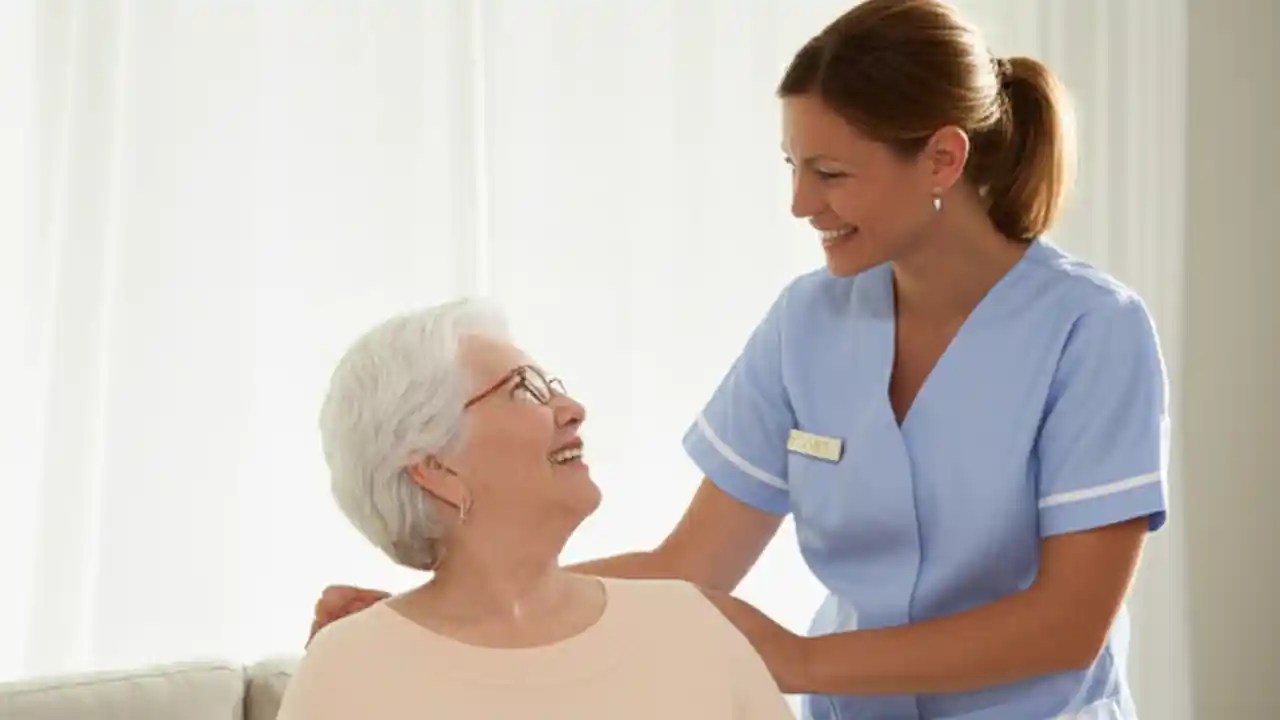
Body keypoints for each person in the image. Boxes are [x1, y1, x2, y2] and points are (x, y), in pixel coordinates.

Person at [311, 1, 1169, 717]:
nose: (801, 203)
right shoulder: (808, 325)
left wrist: (801, 660)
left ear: (943, 158)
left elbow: (1068, 625)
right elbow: (687, 569)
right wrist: (436, 615)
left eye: (831, 173)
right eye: (793, 167)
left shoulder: (1092, 333)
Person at [280, 301, 794, 719]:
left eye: (552, 387)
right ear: (436, 468)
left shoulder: (687, 623)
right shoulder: (348, 666)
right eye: (524, 390)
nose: (572, 410)